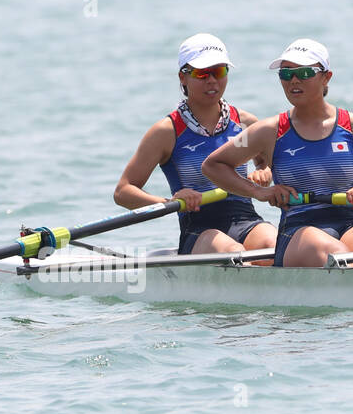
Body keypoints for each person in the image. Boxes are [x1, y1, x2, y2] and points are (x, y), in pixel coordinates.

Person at [202, 38, 353, 267]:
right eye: (286, 74)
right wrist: (258, 192)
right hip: (298, 229)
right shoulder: (267, 131)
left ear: (326, 77)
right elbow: (213, 165)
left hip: (349, 221)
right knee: (337, 255)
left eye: (304, 73)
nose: (294, 80)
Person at [114, 34, 276, 255]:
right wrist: (169, 201)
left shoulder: (245, 124)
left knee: (273, 244)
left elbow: (266, 163)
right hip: (198, 228)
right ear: (183, 77)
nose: (212, 80)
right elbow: (123, 191)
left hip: (246, 219)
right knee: (233, 251)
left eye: (219, 71)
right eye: (202, 73)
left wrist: (264, 172)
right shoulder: (167, 132)